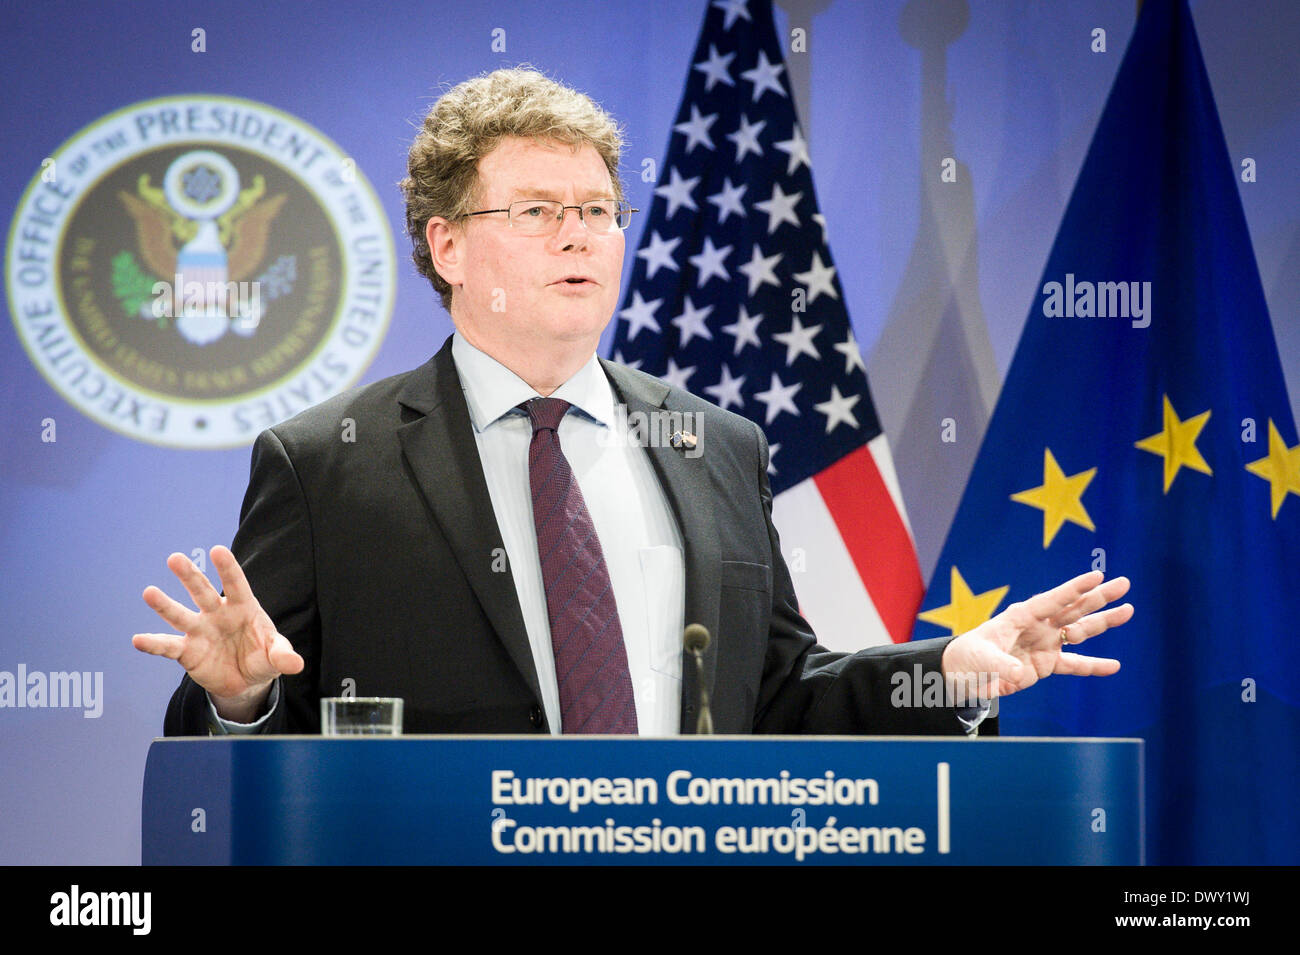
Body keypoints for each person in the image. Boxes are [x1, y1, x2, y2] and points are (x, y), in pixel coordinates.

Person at [132, 68, 1133, 737]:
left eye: (601, 212)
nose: (580, 236)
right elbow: (243, 728)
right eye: (536, 212)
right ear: (447, 246)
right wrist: (244, 694)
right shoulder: (325, 462)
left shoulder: (714, 445)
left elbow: (780, 695)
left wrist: (949, 667)